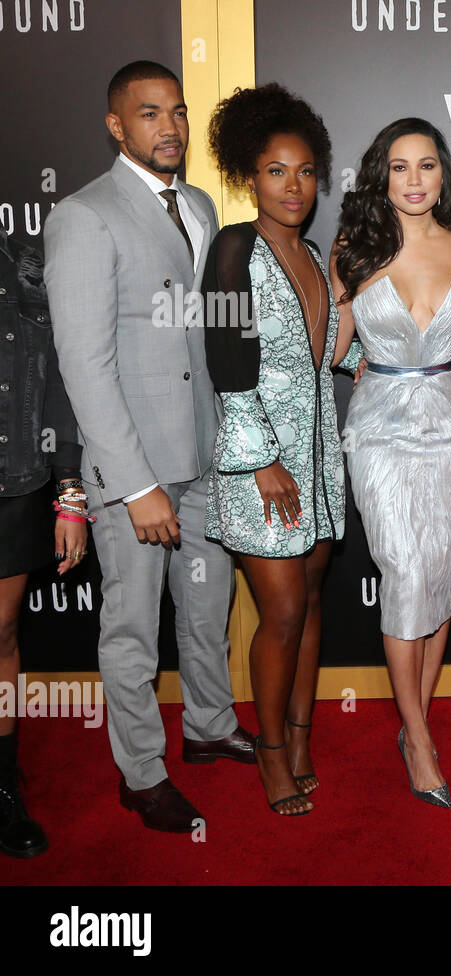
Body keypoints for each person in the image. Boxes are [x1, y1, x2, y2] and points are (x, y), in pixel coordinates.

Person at [44, 61, 252, 833]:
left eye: (178, 112)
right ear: (116, 126)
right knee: (132, 628)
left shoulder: (196, 205)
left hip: (203, 453)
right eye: (149, 113)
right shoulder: (84, 217)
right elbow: (85, 365)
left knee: (206, 606)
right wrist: (134, 486)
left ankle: (206, 726)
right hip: (136, 471)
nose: (169, 127)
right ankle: (140, 773)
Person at [331, 119, 451, 808]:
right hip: (380, 428)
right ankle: (419, 738)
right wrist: (375, 365)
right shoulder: (354, 251)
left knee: (443, 568)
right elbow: (330, 348)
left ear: (444, 176)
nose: (415, 180)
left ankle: (413, 721)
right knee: (404, 564)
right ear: (381, 176)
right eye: (400, 167)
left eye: (427, 165)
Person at [202, 84, 341, 817]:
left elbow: (329, 360)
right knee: (282, 613)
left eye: (307, 170)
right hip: (260, 469)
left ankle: (300, 732)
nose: (294, 186)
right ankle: (270, 754)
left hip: (318, 470)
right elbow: (226, 363)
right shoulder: (234, 248)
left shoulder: (314, 254)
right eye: (277, 170)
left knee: (313, 600)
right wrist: (262, 460)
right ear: (249, 176)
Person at [0, 230, 87, 857]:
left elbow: (60, 382)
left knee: (0, 634)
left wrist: (69, 493)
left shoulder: (27, 265)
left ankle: (3, 784)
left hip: (13, 479)